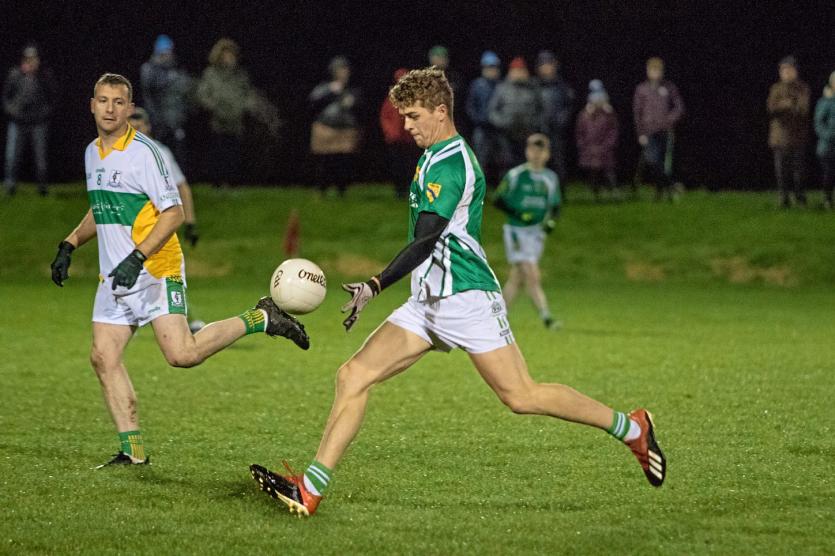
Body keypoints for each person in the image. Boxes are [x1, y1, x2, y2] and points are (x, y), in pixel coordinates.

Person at [250, 67, 667, 517]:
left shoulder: (452, 164)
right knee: (352, 376)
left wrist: (375, 284)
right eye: (403, 117)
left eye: (413, 116)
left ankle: (632, 428)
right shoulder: (431, 154)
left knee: (521, 396)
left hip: (466, 299)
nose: (406, 126)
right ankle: (310, 490)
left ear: (440, 111)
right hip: (426, 303)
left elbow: (426, 239)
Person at [50, 73, 308, 467]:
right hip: (115, 277)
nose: (110, 109)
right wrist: (69, 244)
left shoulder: (145, 153)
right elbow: (101, 207)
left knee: (182, 354)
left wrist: (137, 257)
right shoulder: (92, 153)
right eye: (103, 100)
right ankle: (133, 452)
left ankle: (262, 317)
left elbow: (174, 213)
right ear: (92, 105)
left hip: (155, 269)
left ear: (129, 108)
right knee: (103, 357)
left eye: (118, 102)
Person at [494, 134, 561, 329]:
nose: (537, 154)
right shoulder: (516, 175)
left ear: (547, 154)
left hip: (536, 234)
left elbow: (555, 206)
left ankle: (497, 318)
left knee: (517, 279)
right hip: (516, 231)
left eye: (541, 150)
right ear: (527, 152)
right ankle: (546, 317)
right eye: (533, 150)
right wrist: (519, 214)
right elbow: (498, 199)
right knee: (531, 273)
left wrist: (550, 224)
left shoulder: (550, 178)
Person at [196, 38, 279, 187]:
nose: (228, 58)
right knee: (218, 150)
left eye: (231, 55)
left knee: (234, 151)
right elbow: (203, 94)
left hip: (236, 120)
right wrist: (213, 107)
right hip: (217, 120)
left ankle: (232, 181)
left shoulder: (240, 75)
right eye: (225, 55)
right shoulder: (211, 74)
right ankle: (216, 182)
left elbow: (249, 95)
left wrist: (245, 107)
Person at [129, 107, 198, 246]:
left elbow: (181, 186)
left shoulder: (161, 152)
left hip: (157, 223)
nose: (135, 133)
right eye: (131, 129)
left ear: (148, 127)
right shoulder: (118, 154)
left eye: (138, 128)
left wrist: (190, 222)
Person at [3, 44, 55, 196]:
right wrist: (12, 111)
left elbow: (53, 96)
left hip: (38, 123)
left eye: (34, 58)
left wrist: (45, 112)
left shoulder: (44, 76)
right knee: (12, 156)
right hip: (17, 122)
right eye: (28, 58)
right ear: (23, 59)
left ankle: (42, 187)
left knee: (40, 158)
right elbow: (6, 97)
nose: (31, 61)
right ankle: (10, 185)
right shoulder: (15, 75)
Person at [308, 56, 362, 196]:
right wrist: (330, 91)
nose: (344, 72)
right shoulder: (324, 88)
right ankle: (321, 189)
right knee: (324, 161)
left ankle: (341, 189)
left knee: (343, 162)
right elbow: (312, 102)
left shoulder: (353, 90)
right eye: (341, 69)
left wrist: (352, 101)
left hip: (346, 130)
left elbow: (360, 107)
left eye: (346, 69)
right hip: (326, 128)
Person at [633, 57, 685, 201]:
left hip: (665, 130)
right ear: (648, 71)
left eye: (658, 70)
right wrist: (640, 133)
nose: (655, 73)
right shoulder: (641, 89)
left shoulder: (669, 87)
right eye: (652, 70)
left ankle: (660, 191)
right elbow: (637, 112)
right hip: (649, 131)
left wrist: (670, 119)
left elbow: (679, 107)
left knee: (664, 162)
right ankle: (670, 185)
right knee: (652, 160)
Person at [139, 35, 192, 173]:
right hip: (157, 120)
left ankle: (178, 181)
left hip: (175, 120)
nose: (166, 55)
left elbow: (185, 91)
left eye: (168, 51)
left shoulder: (176, 69)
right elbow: (150, 88)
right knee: (157, 152)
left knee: (178, 153)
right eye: (163, 52)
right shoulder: (149, 68)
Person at [768, 56, 811, 208]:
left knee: (799, 171)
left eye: (789, 69)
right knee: (781, 172)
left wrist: (786, 105)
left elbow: (803, 109)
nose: (786, 73)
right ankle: (783, 198)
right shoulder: (775, 89)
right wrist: (787, 105)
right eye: (783, 70)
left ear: (795, 71)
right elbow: (771, 108)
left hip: (798, 137)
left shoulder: (803, 88)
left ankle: (800, 197)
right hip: (779, 138)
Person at [488, 56, 543, 169]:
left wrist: (534, 124)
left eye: (521, 70)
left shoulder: (533, 88)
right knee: (507, 163)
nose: (518, 73)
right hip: (506, 135)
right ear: (510, 72)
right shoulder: (501, 88)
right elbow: (492, 111)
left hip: (528, 134)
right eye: (515, 70)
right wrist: (502, 123)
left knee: (527, 164)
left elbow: (541, 109)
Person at [534, 50, 575, 186]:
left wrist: (562, 120)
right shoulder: (534, 86)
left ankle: (559, 189)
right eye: (543, 65)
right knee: (539, 161)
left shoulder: (562, 87)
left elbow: (569, 106)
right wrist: (539, 122)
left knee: (559, 161)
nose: (546, 68)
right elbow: (531, 107)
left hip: (558, 132)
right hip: (539, 131)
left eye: (549, 64)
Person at [466, 50, 504, 186]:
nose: (492, 70)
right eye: (489, 67)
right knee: (480, 159)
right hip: (482, 128)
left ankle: (500, 188)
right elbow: (470, 106)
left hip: (499, 129)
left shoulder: (502, 85)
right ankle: (480, 188)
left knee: (501, 160)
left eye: (494, 67)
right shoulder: (477, 85)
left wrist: (500, 120)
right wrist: (479, 120)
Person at [576, 80, 619, 201]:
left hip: (605, 148)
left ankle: (613, 191)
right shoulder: (584, 115)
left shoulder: (609, 114)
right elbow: (580, 132)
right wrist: (584, 146)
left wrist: (608, 145)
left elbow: (613, 131)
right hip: (589, 148)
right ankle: (594, 192)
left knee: (608, 170)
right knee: (593, 171)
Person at [380, 68, 420, 198]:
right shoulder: (391, 98)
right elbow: (385, 117)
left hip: (410, 138)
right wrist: (390, 132)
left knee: (411, 165)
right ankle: (399, 189)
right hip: (396, 138)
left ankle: (410, 189)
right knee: (397, 165)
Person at [815, 71, 835, 210]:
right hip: (828, 146)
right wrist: (829, 135)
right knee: (829, 174)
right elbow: (819, 123)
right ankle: (827, 200)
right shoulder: (824, 102)